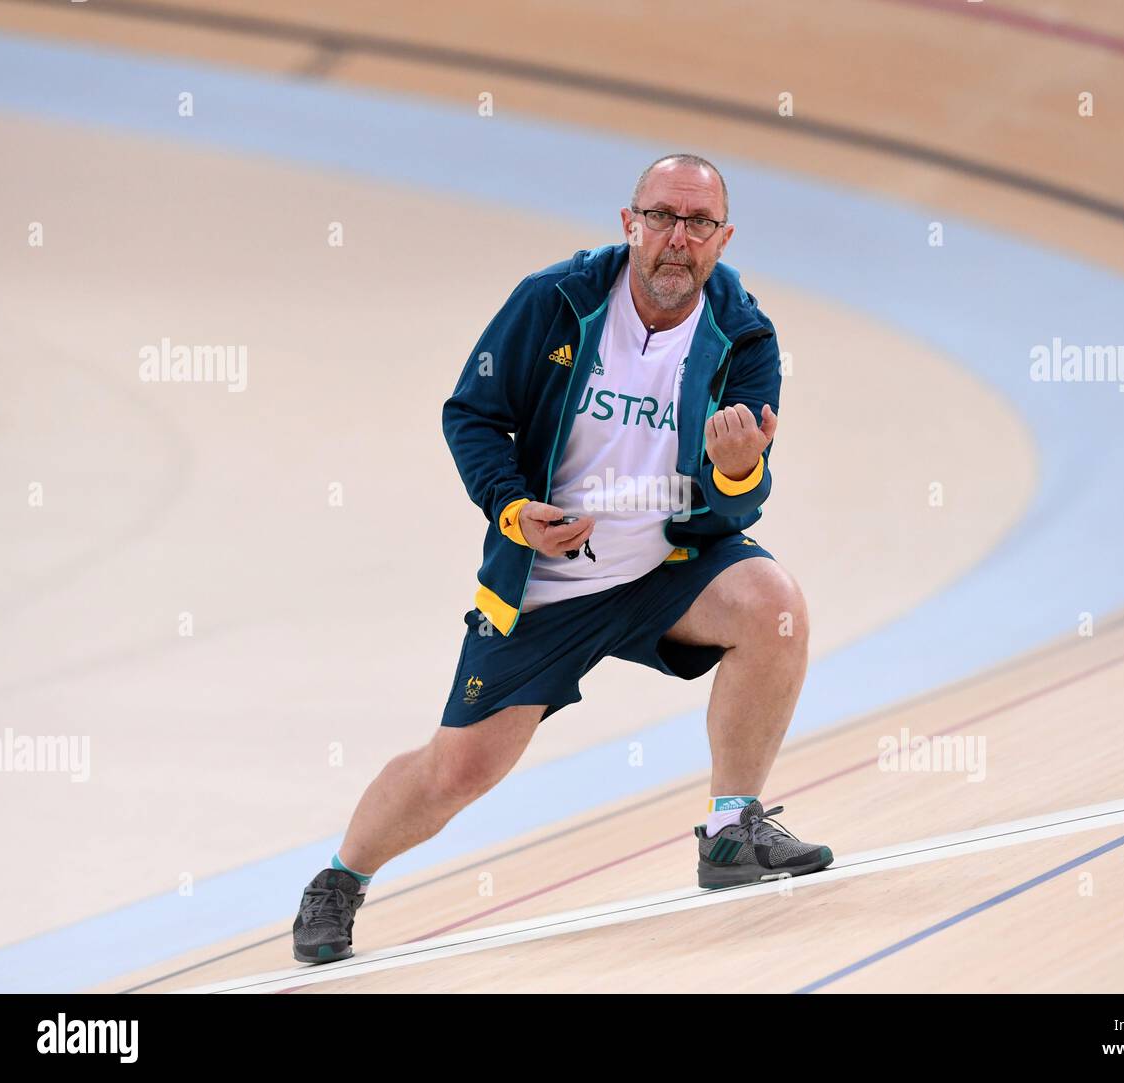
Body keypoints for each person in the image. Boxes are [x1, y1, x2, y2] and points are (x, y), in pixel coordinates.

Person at [292, 153, 832, 965]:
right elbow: (471, 414)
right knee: (458, 768)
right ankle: (340, 878)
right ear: (629, 223)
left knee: (772, 603)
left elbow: (739, 506)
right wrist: (511, 509)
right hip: (547, 580)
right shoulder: (555, 299)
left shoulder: (745, 333)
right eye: (660, 218)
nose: (675, 240)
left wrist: (735, 470)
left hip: (665, 564)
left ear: (723, 238)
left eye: (696, 224)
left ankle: (731, 829)